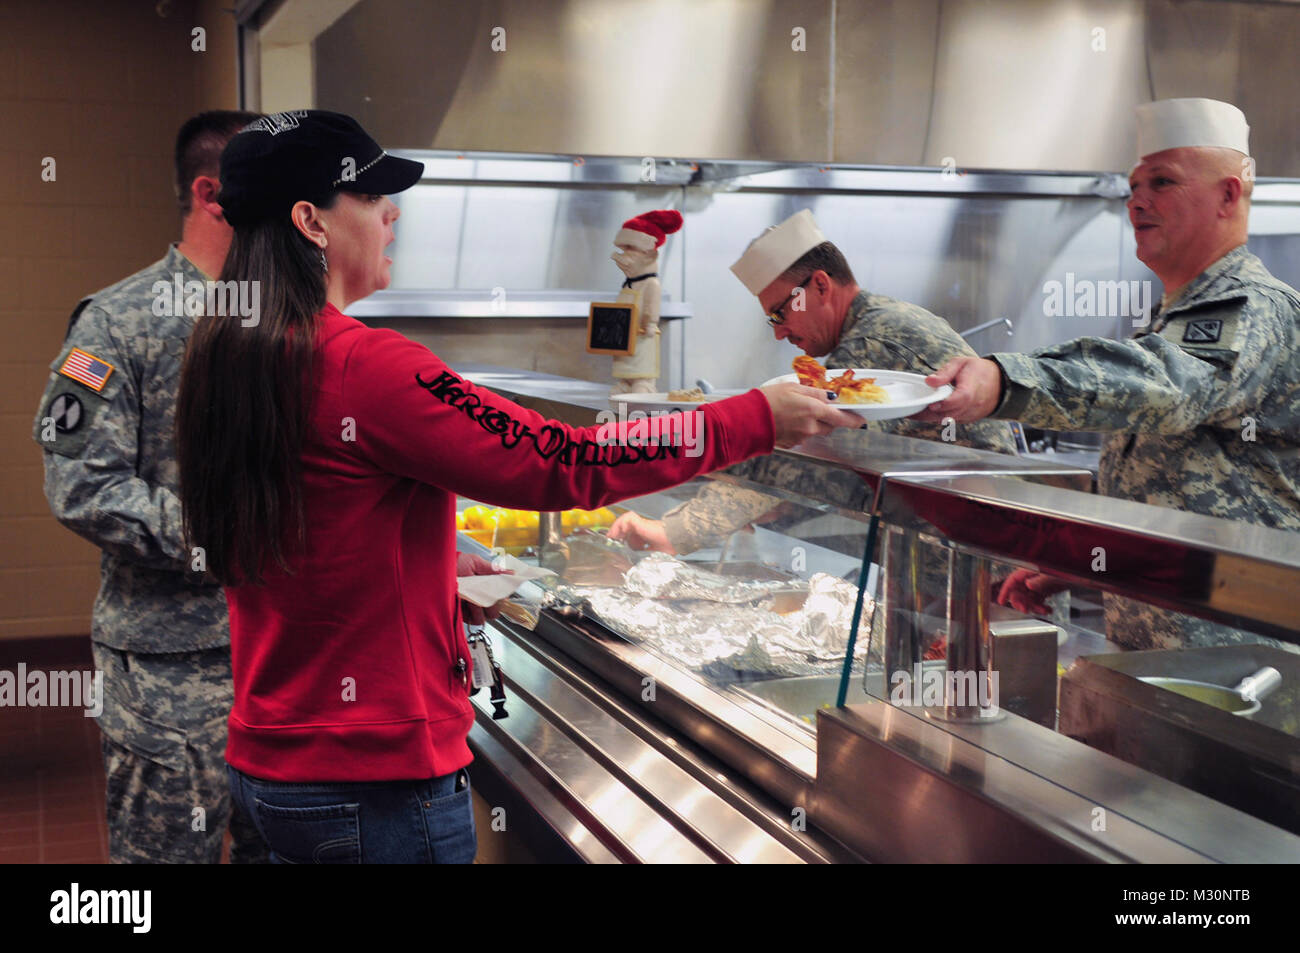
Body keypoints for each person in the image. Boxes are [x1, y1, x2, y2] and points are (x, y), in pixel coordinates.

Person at [173, 110, 859, 864]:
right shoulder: (362, 364)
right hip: (373, 786)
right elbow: (563, 460)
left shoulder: (228, 348)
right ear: (312, 221)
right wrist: (754, 417)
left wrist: (435, 555)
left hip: (270, 763)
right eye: (372, 198)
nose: (392, 213)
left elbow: (309, 525)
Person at [920, 98, 1300, 652]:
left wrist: (1005, 382)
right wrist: (1094, 567)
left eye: (1162, 183)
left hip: (1246, 669)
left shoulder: (1251, 309)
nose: (1137, 202)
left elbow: (1166, 388)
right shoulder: (1186, 312)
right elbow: (1178, 498)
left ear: (1227, 195)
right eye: (1133, 187)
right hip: (1171, 661)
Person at [31, 110, 269, 863]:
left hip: (279, 652)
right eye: (272, 186)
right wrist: (219, 537)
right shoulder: (118, 322)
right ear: (213, 194)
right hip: (172, 667)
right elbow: (83, 482)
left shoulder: (283, 320)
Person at [610, 208, 1017, 555]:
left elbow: (797, 450)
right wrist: (781, 506)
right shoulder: (876, 324)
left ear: (820, 286)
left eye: (779, 314)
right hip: (955, 551)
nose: (778, 333)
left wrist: (672, 533)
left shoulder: (874, 342)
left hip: (983, 569)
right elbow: (839, 463)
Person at [609, 209, 681, 395]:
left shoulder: (651, 284)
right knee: (626, 369)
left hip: (642, 338)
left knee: (642, 371)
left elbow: (650, 309)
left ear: (647, 252)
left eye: (630, 249)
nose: (623, 254)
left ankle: (644, 386)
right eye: (624, 249)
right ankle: (626, 382)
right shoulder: (629, 283)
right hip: (625, 341)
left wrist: (649, 323)